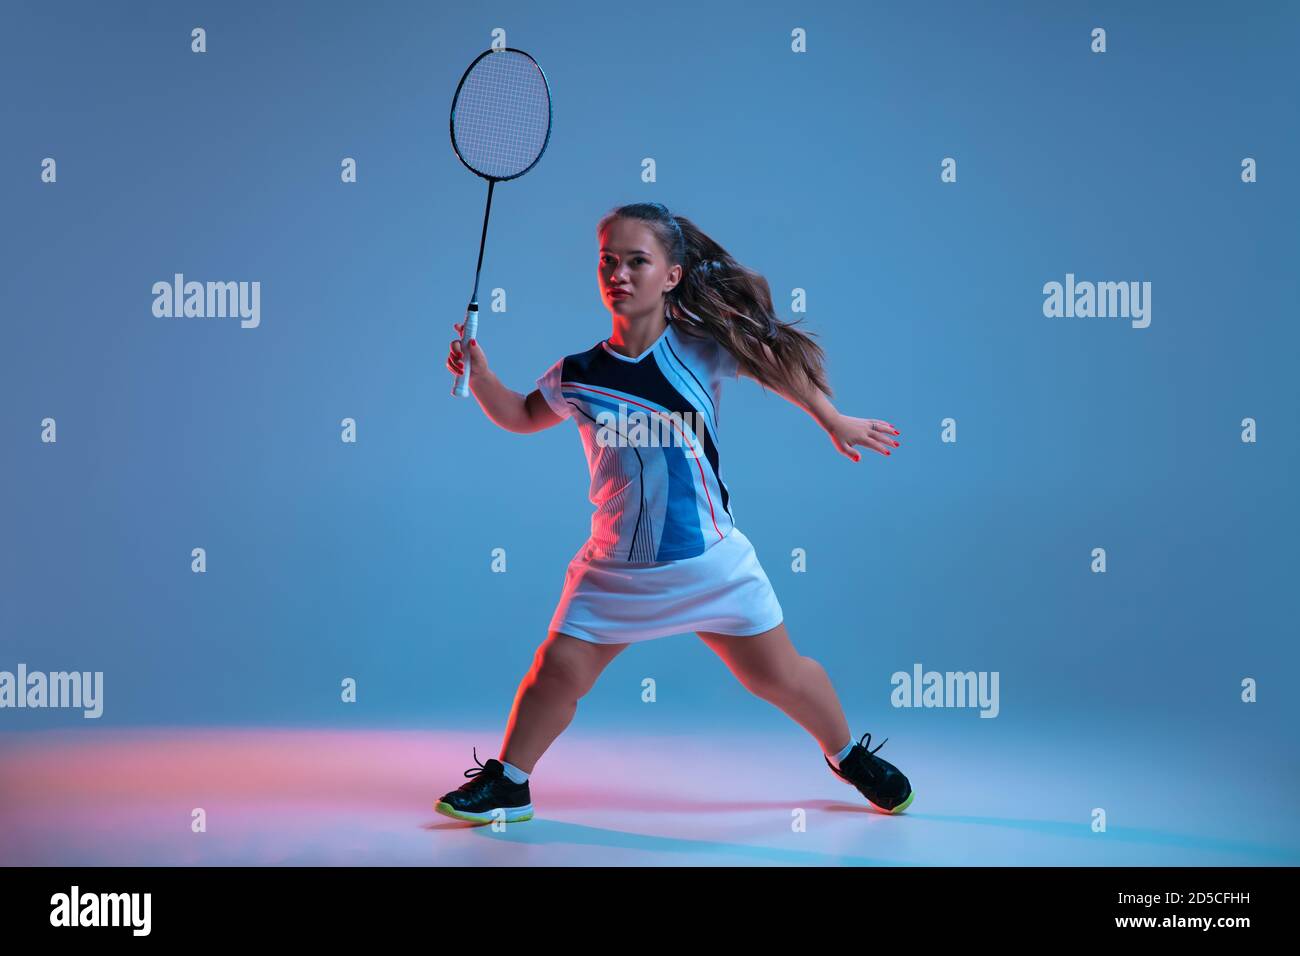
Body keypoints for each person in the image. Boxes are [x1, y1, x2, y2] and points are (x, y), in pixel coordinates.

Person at [435, 201, 913, 824]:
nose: (620, 274)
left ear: (672, 275)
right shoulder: (578, 375)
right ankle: (510, 782)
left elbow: (783, 368)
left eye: (638, 261)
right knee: (555, 674)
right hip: (614, 570)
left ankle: (846, 754)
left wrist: (833, 419)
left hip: (710, 563)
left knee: (781, 677)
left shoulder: (704, 351)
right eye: (609, 261)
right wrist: (480, 376)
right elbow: (521, 415)